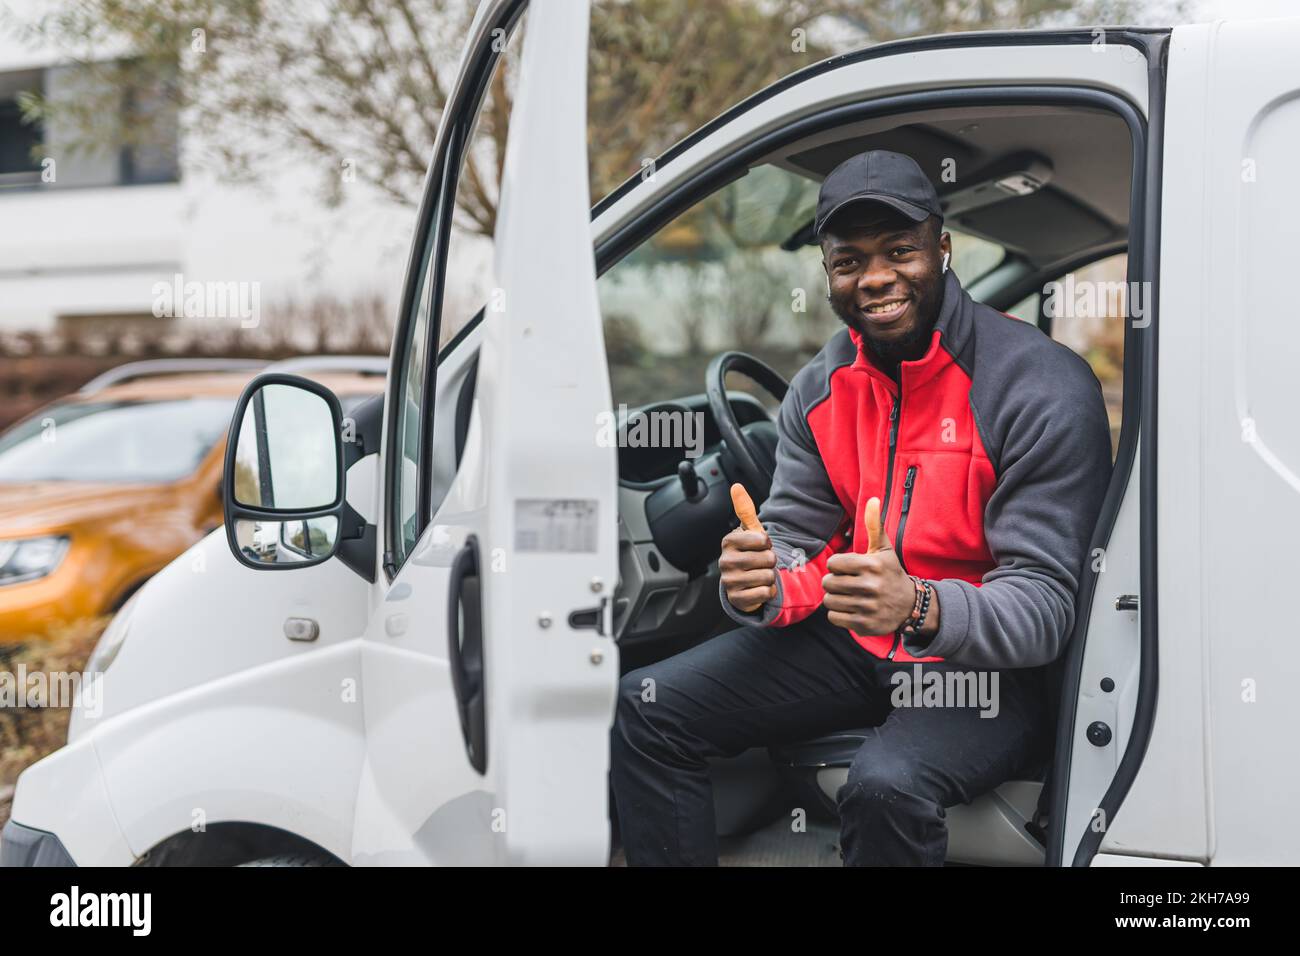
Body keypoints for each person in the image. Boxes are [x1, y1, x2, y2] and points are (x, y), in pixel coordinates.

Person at [610, 149, 1113, 866]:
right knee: (648, 707)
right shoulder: (819, 388)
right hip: (855, 640)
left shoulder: (1038, 386)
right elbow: (794, 539)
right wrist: (759, 581)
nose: (874, 278)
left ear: (942, 248)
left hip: (986, 667)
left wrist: (919, 606)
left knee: (885, 786)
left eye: (899, 251)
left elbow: (1045, 607)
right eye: (848, 261)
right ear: (827, 273)